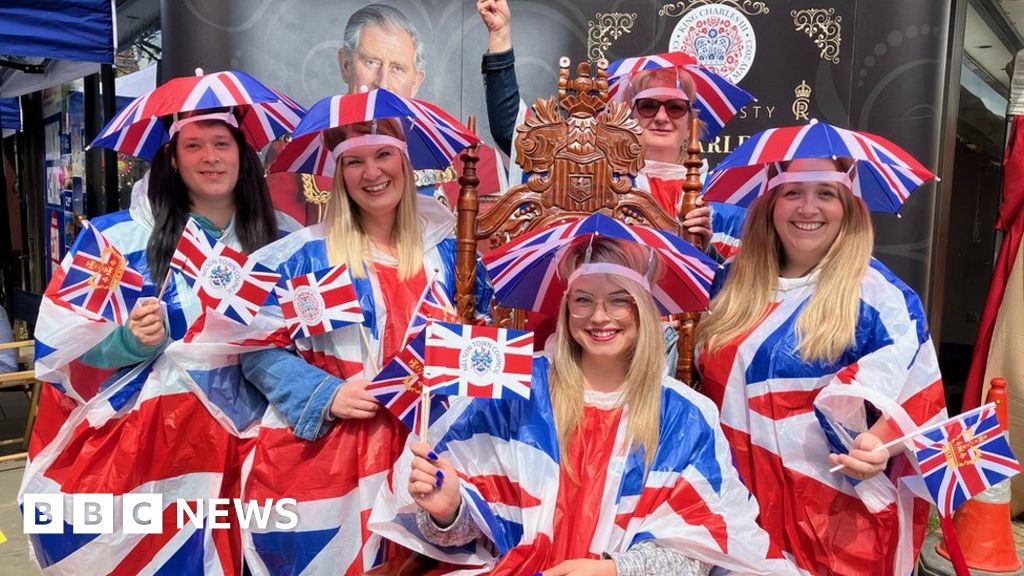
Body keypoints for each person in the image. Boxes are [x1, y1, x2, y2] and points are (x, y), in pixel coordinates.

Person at [370, 236, 797, 576]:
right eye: (584, 300)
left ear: (644, 310)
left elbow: (705, 553)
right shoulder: (517, 390)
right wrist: (448, 512)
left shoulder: (686, 415)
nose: (599, 316)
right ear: (566, 310)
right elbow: (459, 533)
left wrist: (613, 571)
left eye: (618, 299)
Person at [26, 107, 287, 574]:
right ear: (172, 158)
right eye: (194, 145)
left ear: (242, 154)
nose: (210, 157)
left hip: (260, 449)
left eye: (222, 144)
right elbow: (59, 341)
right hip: (157, 455)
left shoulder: (283, 239)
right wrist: (128, 341)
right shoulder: (116, 240)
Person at [237, 117, 492, 573]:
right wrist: (326, 394)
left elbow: (484, 345)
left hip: (427, 457)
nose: (371, 173)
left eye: (382, 155)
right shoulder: (306, 256)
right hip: (333, 463)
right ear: (339, 175)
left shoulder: (452, 253)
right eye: (353, 162)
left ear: (405, 162)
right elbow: (256, 348)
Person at [694, 158, 947, 575]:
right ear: (771, 204)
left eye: (825, 193)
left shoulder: (880, 297)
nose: (807, 208)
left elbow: (920, 392)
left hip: (829, 527)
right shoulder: (729, 283)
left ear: (848, 207)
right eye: (793, 192)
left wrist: (880, 445)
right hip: (737, 517)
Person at [477, 0, 712, 249]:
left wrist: (705, 247)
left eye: (675, 107)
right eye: (648, 106)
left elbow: (732, 280)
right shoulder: (599, 174)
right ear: (629, 117)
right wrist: (500, 36)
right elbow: (514, 132)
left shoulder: (714, 196)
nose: (662, 117)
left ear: (690, 122)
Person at [338, 3, 425, 98]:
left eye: (397, 68)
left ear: (415, 83)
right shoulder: (323, 112)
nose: (382, 85)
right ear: (345, 66)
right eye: (371, 62)